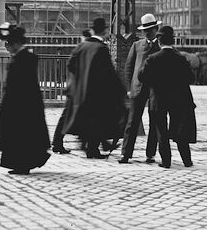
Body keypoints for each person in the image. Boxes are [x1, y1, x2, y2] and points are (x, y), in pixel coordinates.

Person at [61, 17, 126, 158]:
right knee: (99, 120)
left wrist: (81, 77)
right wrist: (120, 89)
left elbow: (70, 64)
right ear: (104, 31)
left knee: (87, 121)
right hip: (96, 92)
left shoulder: (81, 46)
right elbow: (108, 72)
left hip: (81, 91)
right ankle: (93, 149)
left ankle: (91, 147)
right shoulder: (101, 48)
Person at [139, 25, 196, 168]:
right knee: (180, 131)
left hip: (158, 99)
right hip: (178, 99)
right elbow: (190, 78)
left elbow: (142, 77)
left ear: (159, 41)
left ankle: (166, 161)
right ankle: (187, 161)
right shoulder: (181, 58)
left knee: (161, 131)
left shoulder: (153, 59)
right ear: (173, 41)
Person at [0, 23, 51, 174]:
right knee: (19, 135)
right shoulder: (20, 57)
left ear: (17, 43)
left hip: (22, 105)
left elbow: (22, 85)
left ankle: (23, 164)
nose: (7, 46)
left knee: (21, 135)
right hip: (19, 103)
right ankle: (20, 163)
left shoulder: (25, 58)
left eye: (9, 43)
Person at [118, 13, 160, 164]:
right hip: (138, 89)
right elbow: (128, 68)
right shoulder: (136, 46)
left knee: (155, 122)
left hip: (156, 90)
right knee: (132, 122)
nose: (147, 32)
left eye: (150, 29)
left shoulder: (161, 47)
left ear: (156, 29)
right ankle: (125, 154)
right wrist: (129, 88)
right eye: (145, 30)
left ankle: (150, 154)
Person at [52, 28, 91, 154]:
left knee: (76, 115)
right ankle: (57, 142)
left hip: (76, 88)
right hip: (75, 89)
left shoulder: (81, 48)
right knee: (66, 116)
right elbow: (71, 65)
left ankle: (83, 142)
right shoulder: (82, 48)